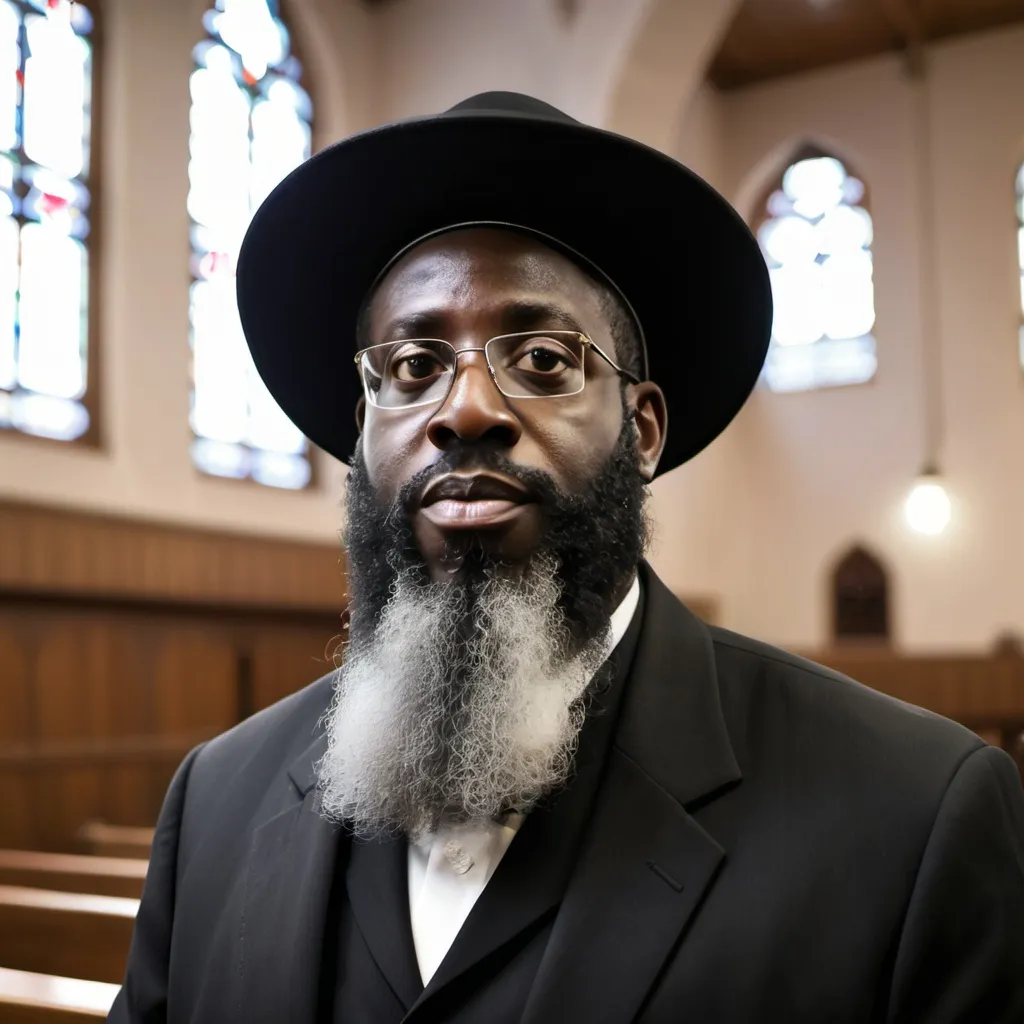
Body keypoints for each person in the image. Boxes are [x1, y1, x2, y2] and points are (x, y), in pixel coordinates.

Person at [109, 93, 1024, 1024]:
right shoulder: (218, 803)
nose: (464, 410)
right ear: (364, 434)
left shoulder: (908, 816)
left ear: (642, 430)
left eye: (544, 358)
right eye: (415, 367)